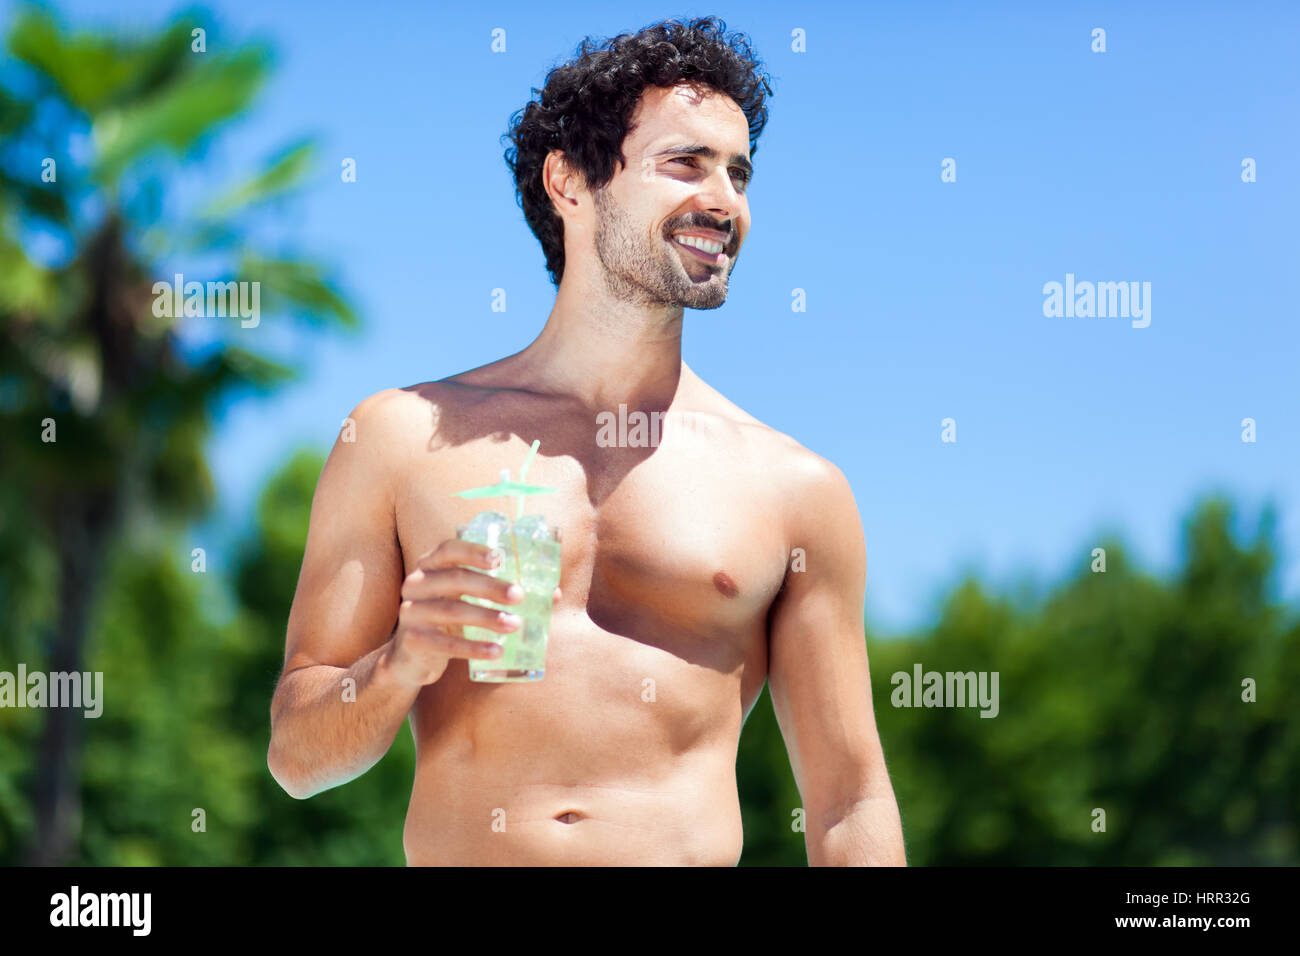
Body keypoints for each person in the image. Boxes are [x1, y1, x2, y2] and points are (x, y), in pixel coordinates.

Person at [267, 16, 905, 866]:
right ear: (570, 181)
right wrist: (400, 661)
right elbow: (297, 760)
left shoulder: (795, 489)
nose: (725, 201)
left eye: (739, 173)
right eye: (686, 163)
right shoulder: (401, 438)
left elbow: (848, 802)